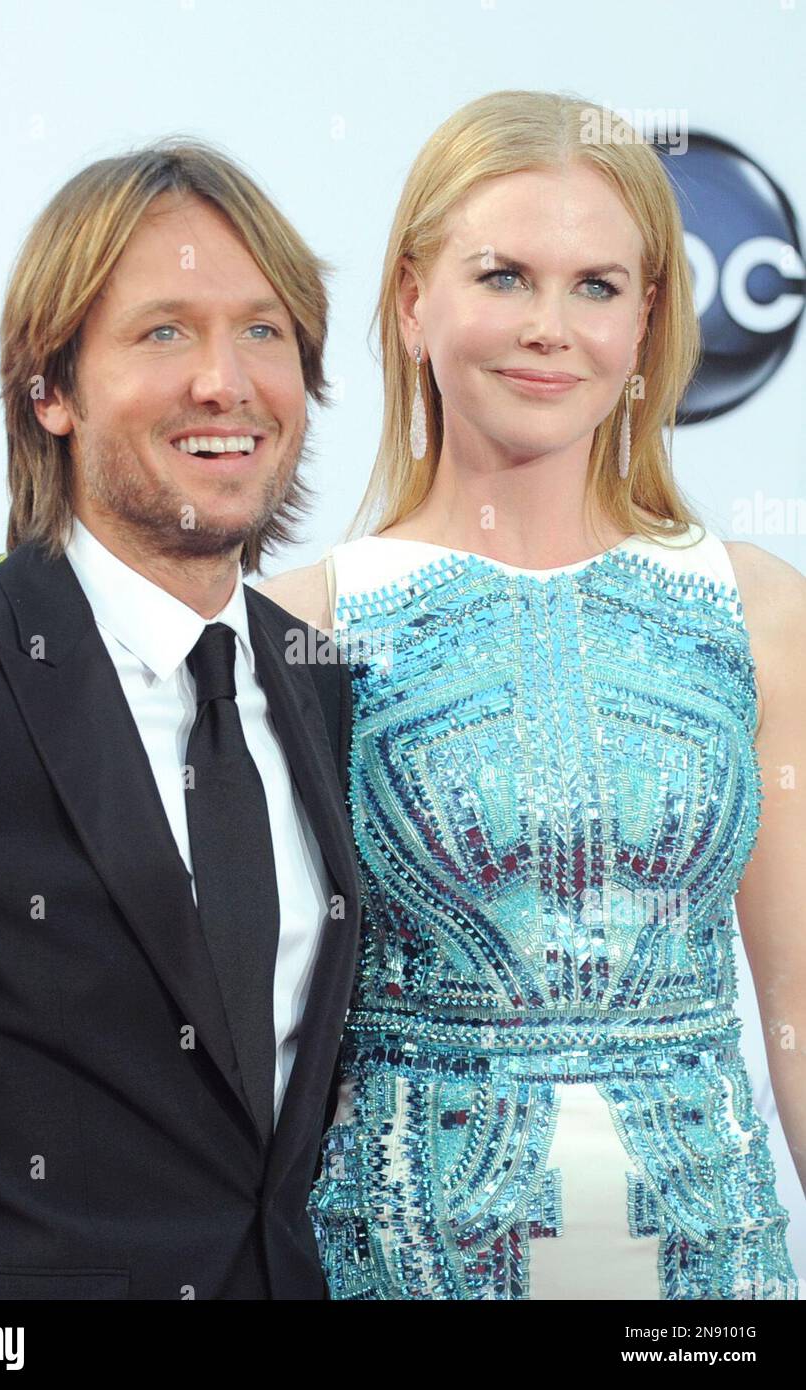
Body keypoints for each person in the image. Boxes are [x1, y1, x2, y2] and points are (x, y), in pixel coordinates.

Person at [258, 89, 804, 1300]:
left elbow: (799, 1007)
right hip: (398, 1261)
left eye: (597, 286)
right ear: (412, 302)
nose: (550, 328)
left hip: (709, 1277)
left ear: (649, 317)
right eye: (504, 277)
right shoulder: (301, 624)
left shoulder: (756, 604)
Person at [0, 140, 361, 1300]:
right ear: (49, 389)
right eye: (163, 331)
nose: (224, 382)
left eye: (262, 331)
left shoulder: (323, 686)